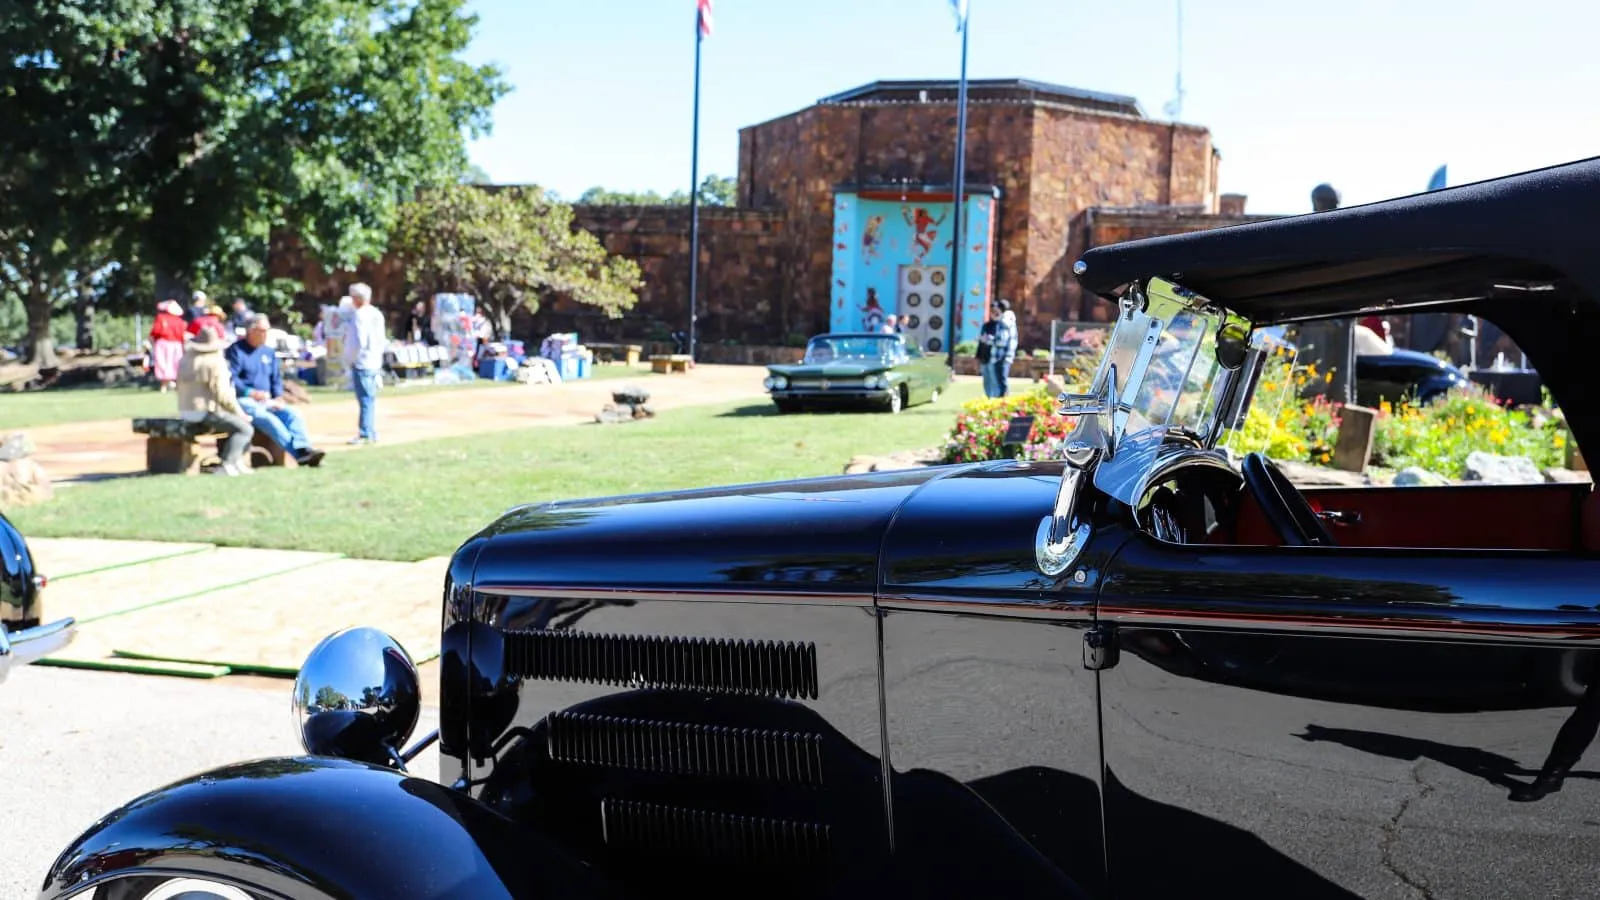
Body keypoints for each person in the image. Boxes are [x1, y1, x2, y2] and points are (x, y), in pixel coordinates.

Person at [224, 314, 325, 467]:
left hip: (268, 400)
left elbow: (276, 378)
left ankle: (304, 448)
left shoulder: (268, 352)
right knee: (269, 420)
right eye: (261, 331)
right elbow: (232, 379)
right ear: (250, 331)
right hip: (244, 400)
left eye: (267, 331)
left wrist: (278, 397)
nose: (265, 335)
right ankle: (299, 455)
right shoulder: (236, 351)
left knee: (293, 415)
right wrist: (249, 392)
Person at [177, 327, 255, 476]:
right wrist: (240, 413)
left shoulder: (186, 359)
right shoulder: (215, 362)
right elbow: (222, 395)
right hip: (206, 412)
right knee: (245, 428)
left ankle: (237, 462)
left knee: (236, 425)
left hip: (185, 411)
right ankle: (229, 463)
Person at [343, 282, 386, 445]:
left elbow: (359, 340)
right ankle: (370, 430)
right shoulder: (377, 313)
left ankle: (365, 432)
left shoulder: (360, 315)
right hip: (374, 360)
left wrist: (351, 358)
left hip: (362, 362)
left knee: (365, 399)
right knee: (370, 398)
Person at [148, 300, 187, 392]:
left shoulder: (161, 318)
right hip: (176, 345)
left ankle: (164, 386)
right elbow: (182, 334)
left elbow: (155, 331)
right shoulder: (179, 321)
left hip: (163, 343)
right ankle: (176, 384)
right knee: (175, 364)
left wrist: (151, 341)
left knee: (163, 363)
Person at [990, 298, 1018, 398]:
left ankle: (1003, 399)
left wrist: (991, 340)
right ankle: (1003, 398)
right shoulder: (1007, 320)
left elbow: (1003, 339)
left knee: (1001, 379)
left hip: (1002, 355)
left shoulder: (1004, 321)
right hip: (1005, 355)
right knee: (1001, 379)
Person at [976, 316, 1000, 397]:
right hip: (984, 356)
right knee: (986, 380)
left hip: (995, 357)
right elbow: (981, 342)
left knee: (994, 380)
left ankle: (996, 398)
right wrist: (978, 356)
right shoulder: (986, 326)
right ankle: (988, 398)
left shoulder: (1000, 326)